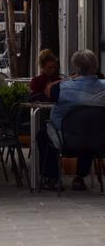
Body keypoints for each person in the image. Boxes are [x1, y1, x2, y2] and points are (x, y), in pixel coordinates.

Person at [38, 50, 105, 191]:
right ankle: (80, 178)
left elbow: (48, 91)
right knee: (89, 129)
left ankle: (52, 178)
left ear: (76, 68)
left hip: (65, 139)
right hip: (98, 140)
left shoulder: (62, 88)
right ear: (96, 66)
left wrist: (67, 79)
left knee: (43, 135)